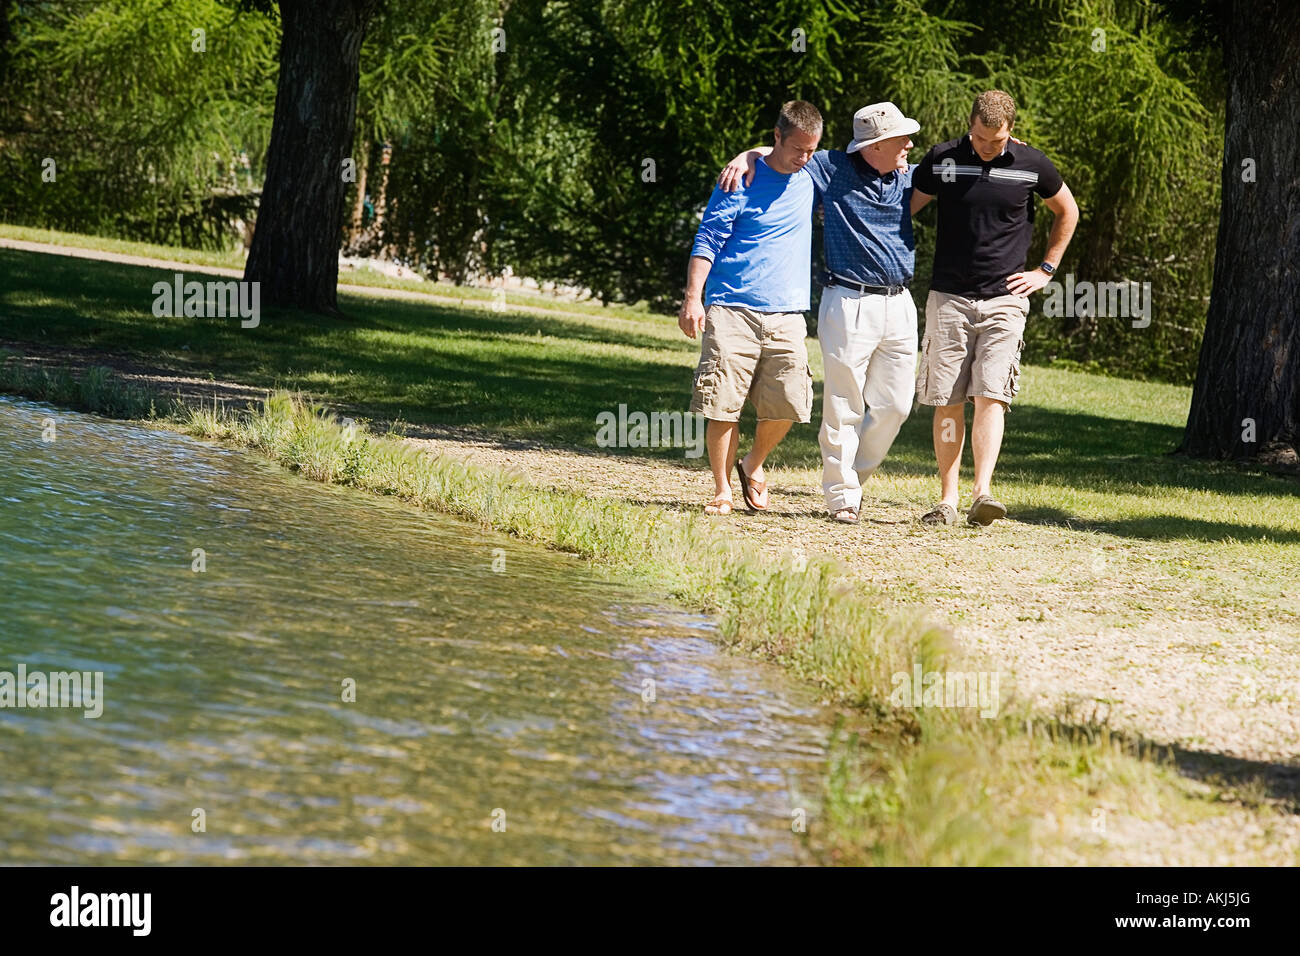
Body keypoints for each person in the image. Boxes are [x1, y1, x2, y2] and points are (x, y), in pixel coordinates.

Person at [719, 102, 922, 524]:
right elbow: (786, 150)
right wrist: (747, 155)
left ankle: (854, 479)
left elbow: (965, 162)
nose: (909, 143)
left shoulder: (908, 173)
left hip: (901, 302)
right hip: (848, 300)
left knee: (896, 407)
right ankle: (842, 497)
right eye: (901, 137)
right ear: (875, 145)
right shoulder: (830, 168)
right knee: (843, 404)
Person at [910, 90, 1079, 526]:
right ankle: (946, 500)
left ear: (1011, 131)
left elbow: (1068, 211)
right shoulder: (943, 158)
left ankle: (981, 493)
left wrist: (1045, 269)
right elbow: (904, 207)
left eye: (998, 140)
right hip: (948, 296)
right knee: (947, 399)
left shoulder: (1032, 164)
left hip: (1006, 299)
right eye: (983, 140)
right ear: (971, 126)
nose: (989, 148)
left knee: (991, 395)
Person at [679, 100, 822, 515]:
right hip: (730, 307)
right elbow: (707, 240)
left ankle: (752, 464)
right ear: (777, 137)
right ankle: (722, 490)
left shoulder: (811, 175)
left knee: (791, 402)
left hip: (788, 313)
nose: (805, 158)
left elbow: (868, 154)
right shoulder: (739, 181)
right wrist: (693, 297)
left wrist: (750, 151)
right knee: (722, 401)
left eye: (812, 150)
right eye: (798, 148)